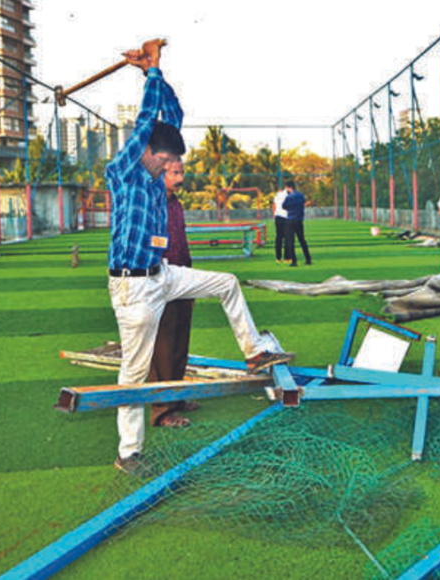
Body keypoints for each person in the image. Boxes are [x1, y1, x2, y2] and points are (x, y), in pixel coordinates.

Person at [106, 40, 292, 474]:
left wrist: (155, 68)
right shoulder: (126, 172)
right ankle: (128, 452)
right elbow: (148, 122)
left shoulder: (155, 181)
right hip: (134, 289)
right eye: (167, 159)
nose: (173, 167)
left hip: (162, 273)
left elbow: (172, 118)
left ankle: (255, 351)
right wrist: (151, 73)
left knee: (226, 282)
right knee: (134, 373)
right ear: (149, 153)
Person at [147, 160, 198, 428]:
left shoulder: (175, 203)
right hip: (160, 279)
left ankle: (177, 399)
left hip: (182, 276)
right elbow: (151, 240)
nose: (180, 177)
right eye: (175, 173)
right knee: (163, 347)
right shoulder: (150, 202)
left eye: (181, 172)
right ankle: (162, 410)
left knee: (180, 341)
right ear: (161, 174)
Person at [282, 181, 312, 267]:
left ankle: (294, 261)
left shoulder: (289, 197)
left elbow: (284, 206)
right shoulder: (300, 195)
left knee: (290, 241)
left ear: (288, 187)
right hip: (299, 219)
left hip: (290, 220)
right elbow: (303, 203)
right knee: (302, 240)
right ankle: (308, 259)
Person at [273, 186, 289, 264]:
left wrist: (274, 215)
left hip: (278, 217)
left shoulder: (277, 195)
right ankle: (287, 258)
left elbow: (274, 206)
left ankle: (278, 258)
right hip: (286, 217)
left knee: (278, 238)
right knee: (287, 237)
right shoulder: (289, 195)